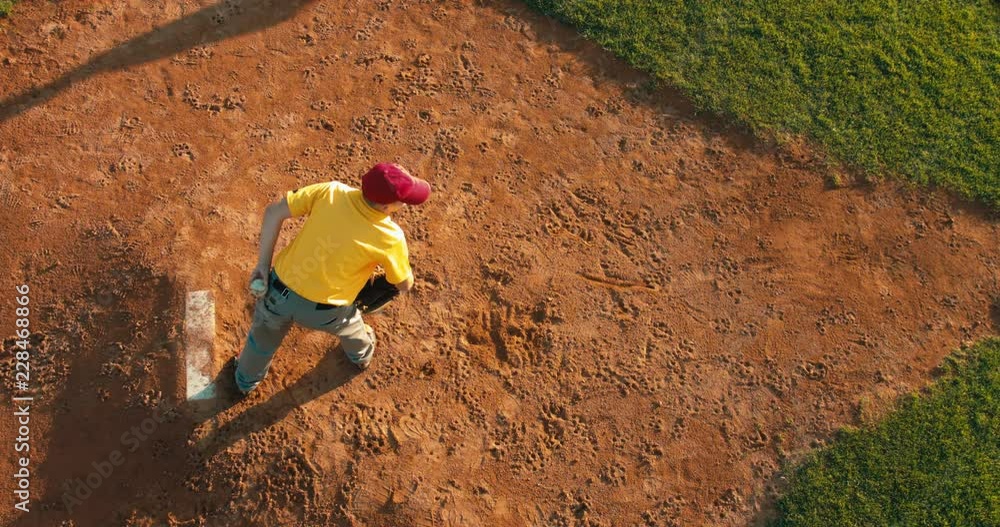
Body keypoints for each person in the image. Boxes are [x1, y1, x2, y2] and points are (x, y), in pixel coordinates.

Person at [233, 163, 431, 395]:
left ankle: (244, 383)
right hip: (326, 313)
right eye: (404, 200)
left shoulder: (331, 191)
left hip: (277, 293)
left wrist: (262, 266)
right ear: (387, 206)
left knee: (261, 341)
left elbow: (273, 213)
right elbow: (404, 284)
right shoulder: (390, 237)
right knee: (353, 328)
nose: (406, 203)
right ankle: (362, 357)